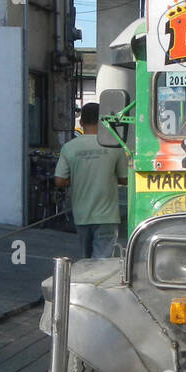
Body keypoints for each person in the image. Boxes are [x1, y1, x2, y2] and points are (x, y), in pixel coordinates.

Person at [55, 102, 128, 259]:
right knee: (101, 263)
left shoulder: (69, 147)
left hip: (81, 215)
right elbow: (125, 179)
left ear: (80, 122)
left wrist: (77, 176)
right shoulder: (115, 146)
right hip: (107, 217)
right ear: (103, 120)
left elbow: (59, 181)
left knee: (85, 262)